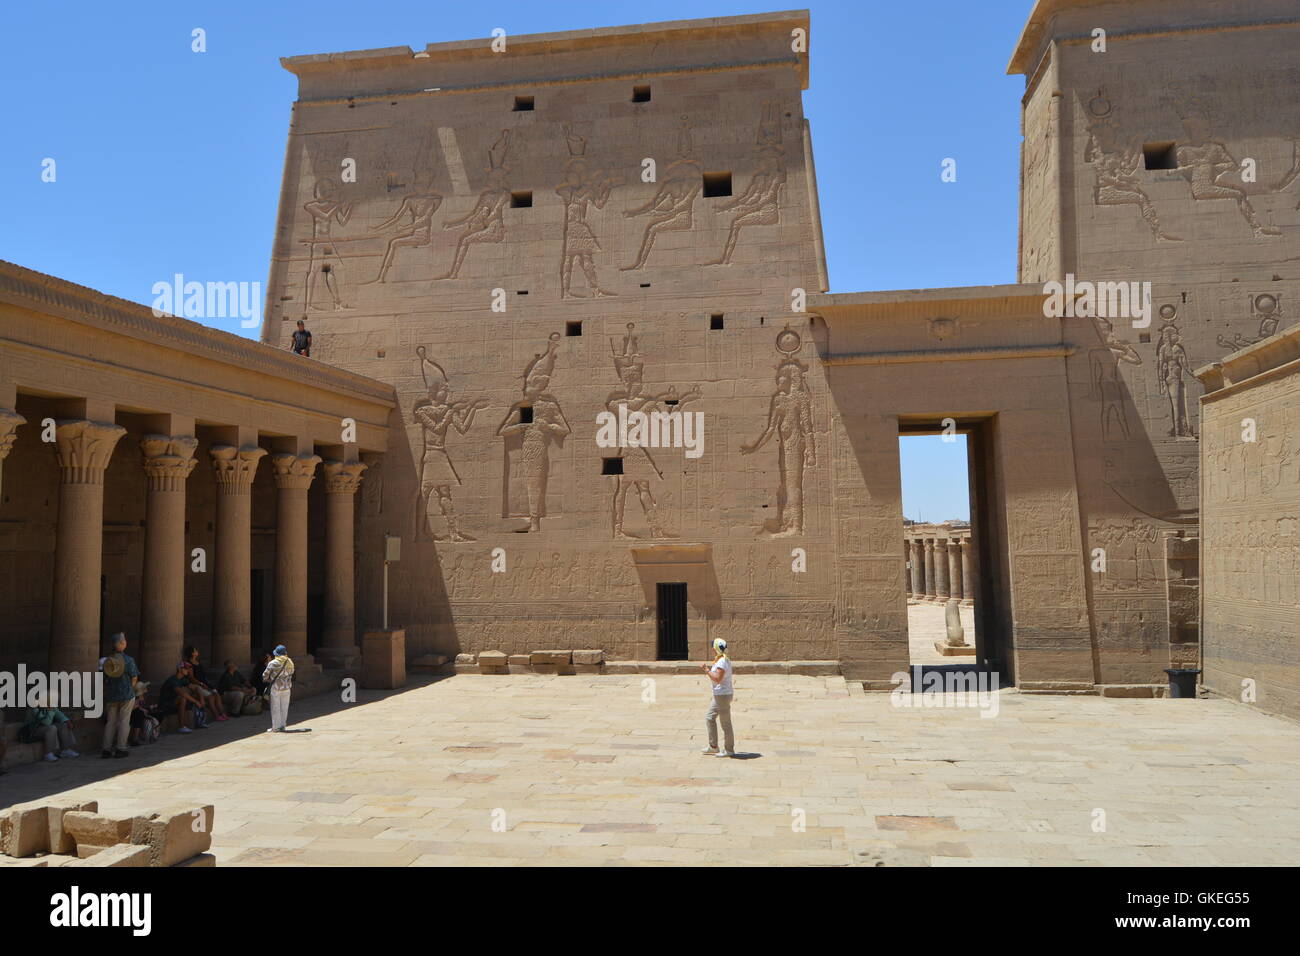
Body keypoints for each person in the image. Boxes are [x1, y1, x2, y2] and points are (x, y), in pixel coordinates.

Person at [99, 632, 139, 759]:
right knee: (124, 721)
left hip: (111, 695)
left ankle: (106, 749)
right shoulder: (128, 660)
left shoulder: (107, 661)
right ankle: (120, 748)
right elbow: (134, 677)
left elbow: (104, 679)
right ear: (122, 643)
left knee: (110, 722)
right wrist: (130, 690)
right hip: (126, 694)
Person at [701, 638, 736, 758]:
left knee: (725, 723)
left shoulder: (722, 662)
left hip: (723, 695)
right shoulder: (721, 660)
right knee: (710, 717)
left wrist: (707, 671)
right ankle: (713, 746)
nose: (711, 649)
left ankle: (729, 749)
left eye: (713, 647)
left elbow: (717, 678)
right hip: (719, 695)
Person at [184, 645, 229, 721]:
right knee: (211, 697)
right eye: (195, 651)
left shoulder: (198, 662)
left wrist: (207, 684)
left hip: (205, 683)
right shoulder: (188, 664)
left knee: (217, 694)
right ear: (192, 653)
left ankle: (222, 714)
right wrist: (201, 684)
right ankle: (216, 716)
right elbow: (191, 678)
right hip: (197, 685)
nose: (197, 652)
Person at [158, 661, 205, 733]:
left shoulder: (183, 679)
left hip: (174, 702)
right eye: (186, 668)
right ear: (180, 669)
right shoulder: (172, 680)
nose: (188, 670)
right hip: (165, 705)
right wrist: (196, 701)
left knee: (196, 695)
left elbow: (196, 688)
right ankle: (181, 726)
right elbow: (182, 693)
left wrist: (201, 699)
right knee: (183, 699)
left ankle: (200, 721)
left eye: (189, 669)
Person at [262, 645, 295, 732]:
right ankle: (282, 726)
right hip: (287, 688)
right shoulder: (290, 662)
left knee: (275, 707)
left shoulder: (273, 663)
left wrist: (271, 680)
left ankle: (275, 727)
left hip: (276, 688)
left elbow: (264, 676)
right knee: (284, 707)